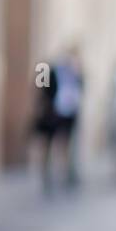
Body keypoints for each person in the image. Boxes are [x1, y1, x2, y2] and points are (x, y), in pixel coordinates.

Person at [34, 44, 84, 194]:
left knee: (67, 144)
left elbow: (82, 88)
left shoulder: (76, 72)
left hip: (70, 114)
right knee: (48, 144)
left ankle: (67, 173)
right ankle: (46, 175)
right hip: (53, 114)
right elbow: (40, 88)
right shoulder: (50, 69)